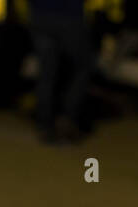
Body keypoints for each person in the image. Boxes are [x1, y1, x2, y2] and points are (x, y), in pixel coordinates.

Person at [28, 0, 93, 143]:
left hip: (39, 15)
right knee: (81, 67)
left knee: (46, 72)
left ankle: (44, 124)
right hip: (69, 16)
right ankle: (66, 119)